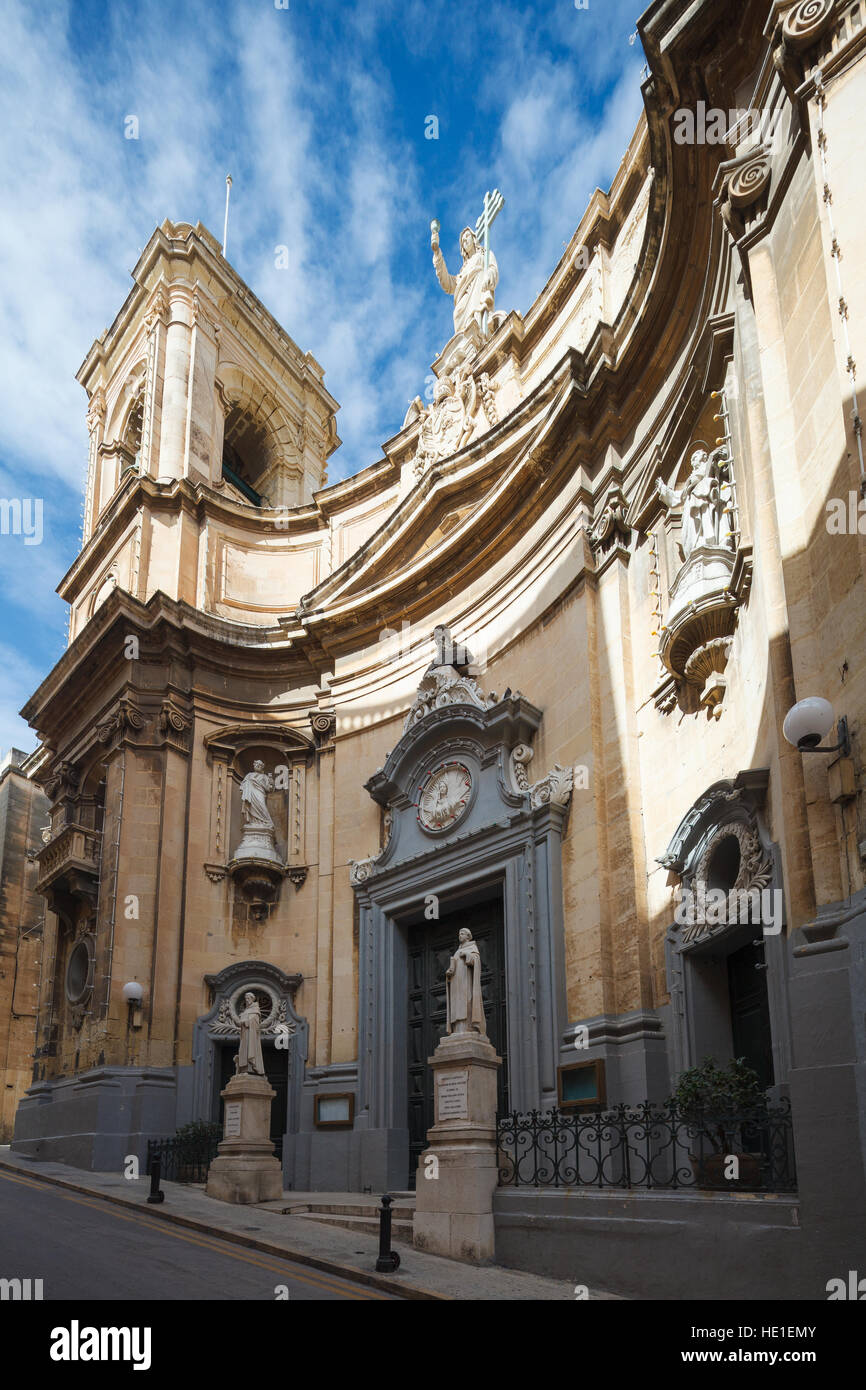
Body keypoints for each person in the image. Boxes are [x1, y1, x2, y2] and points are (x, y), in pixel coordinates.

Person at [445, 928, 486, 1035]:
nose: (460, 935)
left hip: (466, 982)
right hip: (455, 983)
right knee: (457, 1005)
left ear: (468, 936)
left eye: (462, 934)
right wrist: (449, 973)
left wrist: (468, 955)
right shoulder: (457, 951)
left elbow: (476, 960)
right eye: (459, 934)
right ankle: (457, 1029)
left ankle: (468, 1027)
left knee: (466, 1002)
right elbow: (453, 966)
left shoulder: (472, 947)